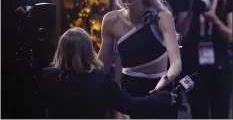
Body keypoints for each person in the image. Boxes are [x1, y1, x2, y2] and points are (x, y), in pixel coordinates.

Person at [37, 27, 178, 119]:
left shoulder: (46, 76)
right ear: (88, 50)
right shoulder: (100, 80)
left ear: (60, 50)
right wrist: (164, 98)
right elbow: (131, 106)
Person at [98, 0, 182, 118]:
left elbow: (176, 63)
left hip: (161, 88)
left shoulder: (162, 17)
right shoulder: (110, 20)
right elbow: (102, 65)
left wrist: (166, 79)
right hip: (130, 91)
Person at [176, 0, 233, 119]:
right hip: (196, 69)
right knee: (198, 113)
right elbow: (180, 33)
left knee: (220, 113)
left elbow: (231, 35)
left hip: (220, 68)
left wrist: (215, 20)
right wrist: (192, 9)